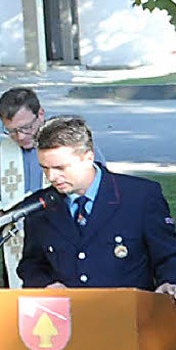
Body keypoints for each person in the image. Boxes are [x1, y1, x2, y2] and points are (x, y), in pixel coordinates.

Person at [17, 116, 176, 304]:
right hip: (65, 316)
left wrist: (171, 282)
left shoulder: (140, 197)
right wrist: (46, 285)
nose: (52, 176)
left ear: (88, 158)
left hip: (126, 314)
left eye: (60, 168)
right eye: (45, 168)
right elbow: (31, 265)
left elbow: (169, 255)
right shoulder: (40, 206)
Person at [0, 87, 106, 288]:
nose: (20, 136)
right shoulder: (2, 151)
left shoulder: (66, 142)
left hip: (63, 237)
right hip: (16, 241)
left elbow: (96, 188)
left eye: (26, 127)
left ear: (40, 113)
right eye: (12, 131)